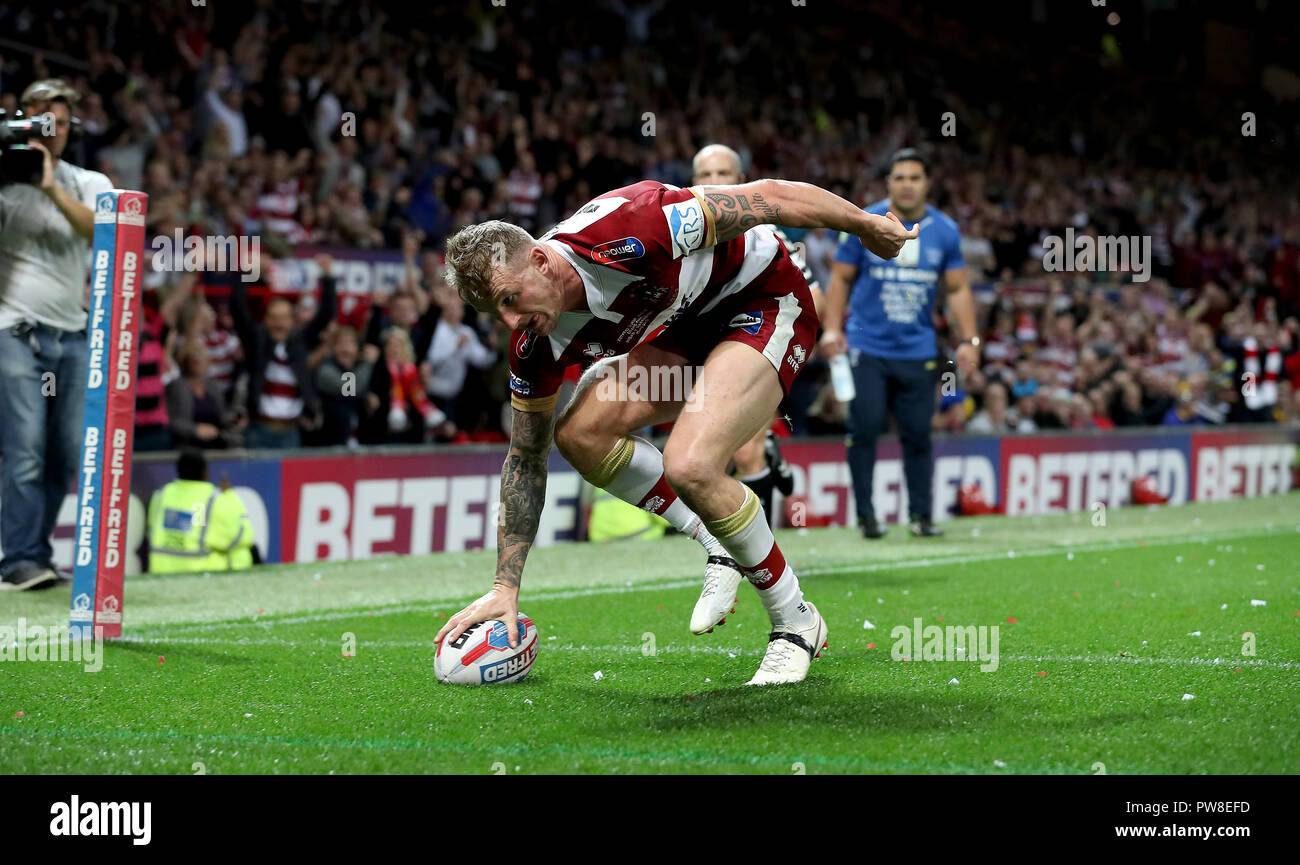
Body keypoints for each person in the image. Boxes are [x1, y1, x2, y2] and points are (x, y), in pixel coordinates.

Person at [435, 176, 915, 685]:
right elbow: (525, 457)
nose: (511, 322)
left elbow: (770, 197)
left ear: (540, 260)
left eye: (510, 299)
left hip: (761, 299)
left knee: (689, 464)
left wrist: (863, 224)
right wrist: (505, 585)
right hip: (682, 332)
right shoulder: (535, 341)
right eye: (495, 313)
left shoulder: (636, 226)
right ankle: (715, 538)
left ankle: (796, 621)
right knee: (577, 435)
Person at [820, 148, 980, 539]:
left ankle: (921, 517)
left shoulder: (945, 230)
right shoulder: (864, 220)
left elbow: (958, 289)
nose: (907, 185)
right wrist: (831, 329)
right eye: (900, 178)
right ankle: (867, 517)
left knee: (918, 433)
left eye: (915, 178)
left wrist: (970, 340)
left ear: (927, 184)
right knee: (865, 427)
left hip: (919, 350)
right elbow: (840, 279)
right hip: (867, 346)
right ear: (889, 183)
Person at [0, 79, 112, 590]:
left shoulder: (88, 181)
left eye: (61, 122)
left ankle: (35, 552)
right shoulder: (3, 179)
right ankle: (19, 558)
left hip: (72, 335)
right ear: (23, 120)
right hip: (13, 329)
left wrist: (48, 186)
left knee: (66, 452)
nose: (52, 130)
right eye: (41, 120)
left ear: (73, 128)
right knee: (25, 448)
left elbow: (103, 230)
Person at [230, 254, 337, 449]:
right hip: (258, 432)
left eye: (284, 318)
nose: (279, 323)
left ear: (292, 321)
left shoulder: (299, 342)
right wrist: (247, 271)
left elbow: (325, 314)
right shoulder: (256, 341)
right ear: (266, 320)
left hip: (291, 434)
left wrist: (328, 277)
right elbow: (237, 310)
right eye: (274, 318)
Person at [147, 449, 255, 573]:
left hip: (160, 569)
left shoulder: (161, 494)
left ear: (178, 471)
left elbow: (150, 530)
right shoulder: (213, 499)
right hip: (200, 572)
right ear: (205, 472)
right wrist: (229, 495)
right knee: (241, 551)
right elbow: (243, 536)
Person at [166, 342, 244, 448]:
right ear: (185, 361)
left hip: (217, 441)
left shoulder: (211, 385)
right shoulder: (176, 386)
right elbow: (172, 421)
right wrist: (195, 429)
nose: (198, 361)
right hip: (189, 443)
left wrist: (235, 418)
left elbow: (222, 415)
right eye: (193, 357)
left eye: (201, 357)